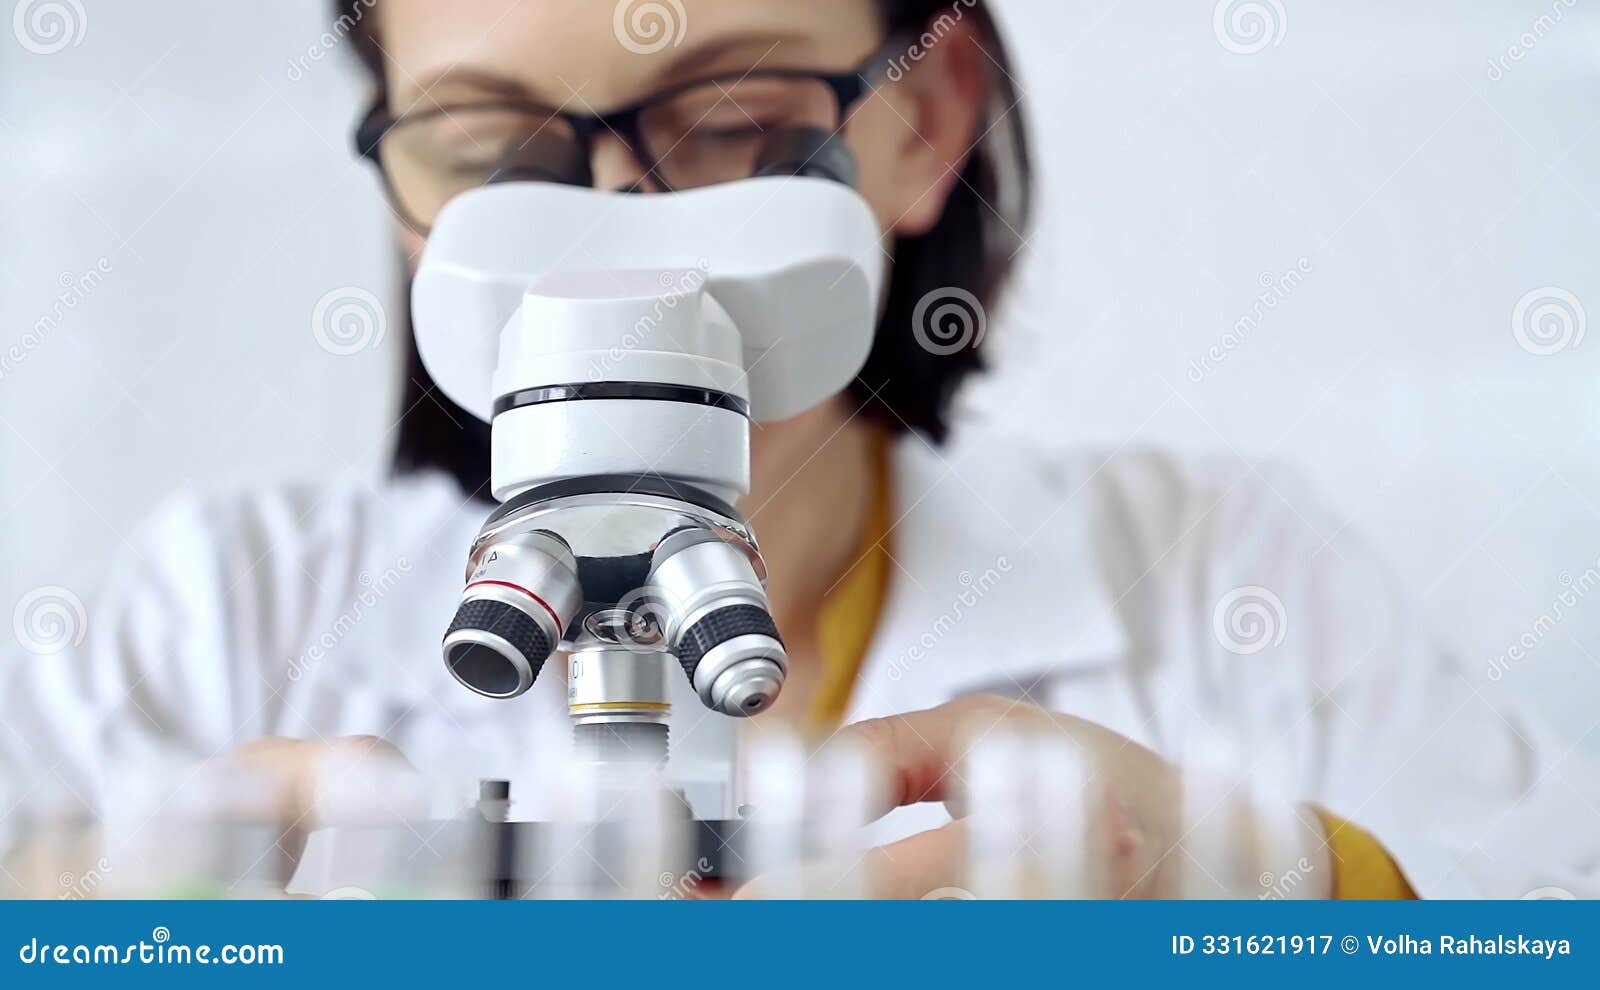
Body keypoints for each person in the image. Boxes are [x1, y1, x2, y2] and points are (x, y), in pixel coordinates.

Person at [2, 0, 1594, 899]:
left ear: (922, 114)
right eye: (495, 151)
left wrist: (1302, 893)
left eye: (722, 124)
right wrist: (89, 917)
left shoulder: (1233, 578)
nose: (615, 230)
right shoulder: (223, 619)